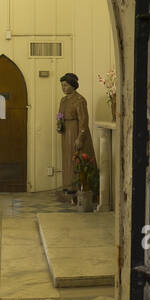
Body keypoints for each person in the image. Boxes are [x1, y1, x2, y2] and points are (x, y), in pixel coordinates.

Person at [54, 74, 90, 207]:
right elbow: (60, 114)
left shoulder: (79, 100)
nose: (63, 88)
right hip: (65, 132)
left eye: (66, 85)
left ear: (73, 85)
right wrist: (59, 123)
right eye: (62, 85)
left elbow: (84, 120)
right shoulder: (63, 100)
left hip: (74, 131)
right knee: (67, 161)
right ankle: (67, 190)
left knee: (75, 161)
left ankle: (76, 192)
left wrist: (80, 137)